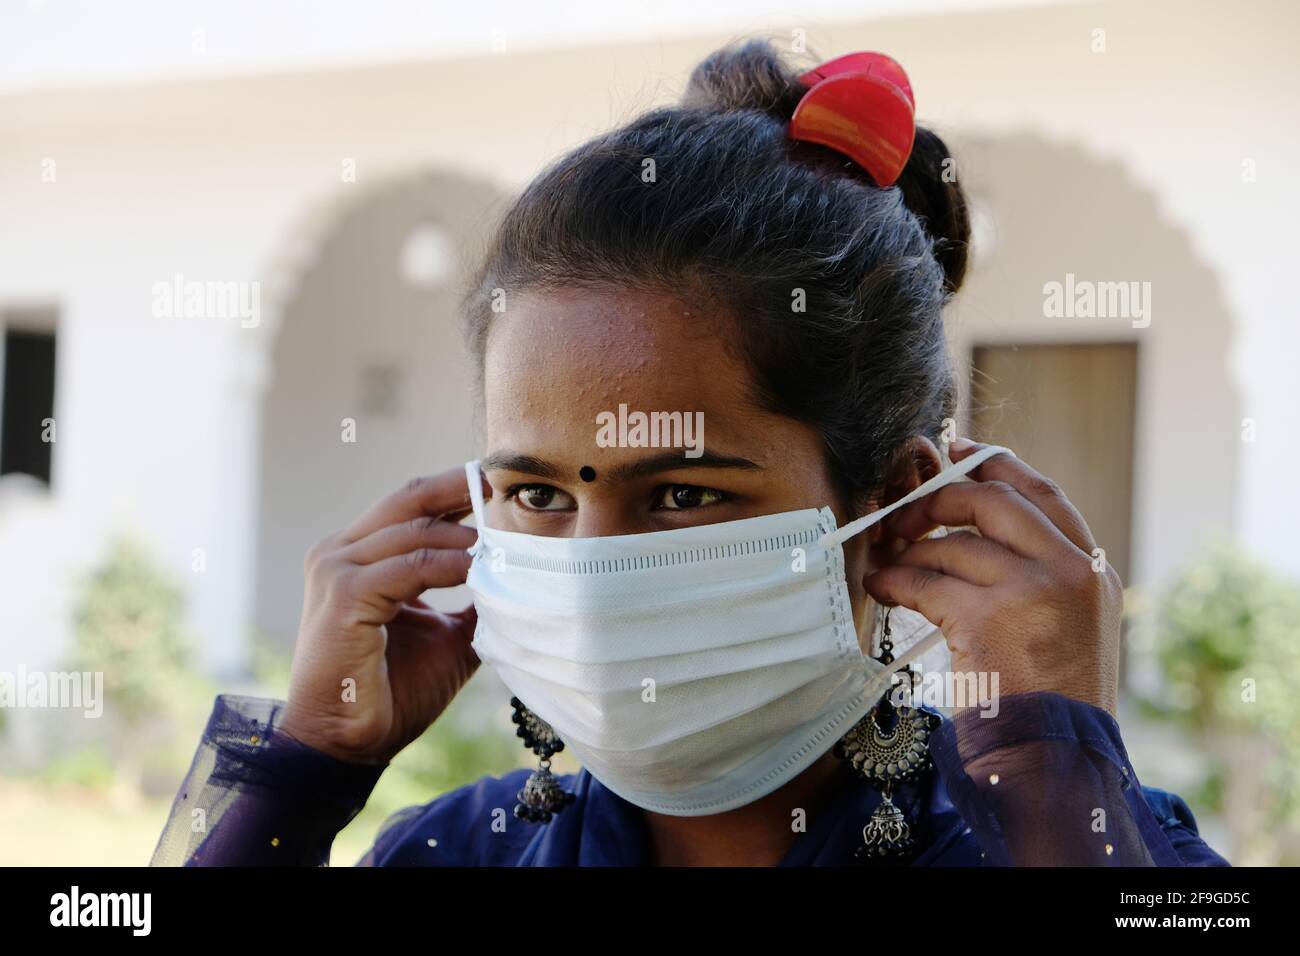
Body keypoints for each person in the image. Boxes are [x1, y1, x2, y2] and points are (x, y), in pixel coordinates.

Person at [151, 39, 1227, 867]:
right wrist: (302, 771)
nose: (592, 568)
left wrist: (1054, 760)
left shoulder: (1103, 844)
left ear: (896, 506)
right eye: (535, 489)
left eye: (678, 488)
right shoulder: (460, 850)